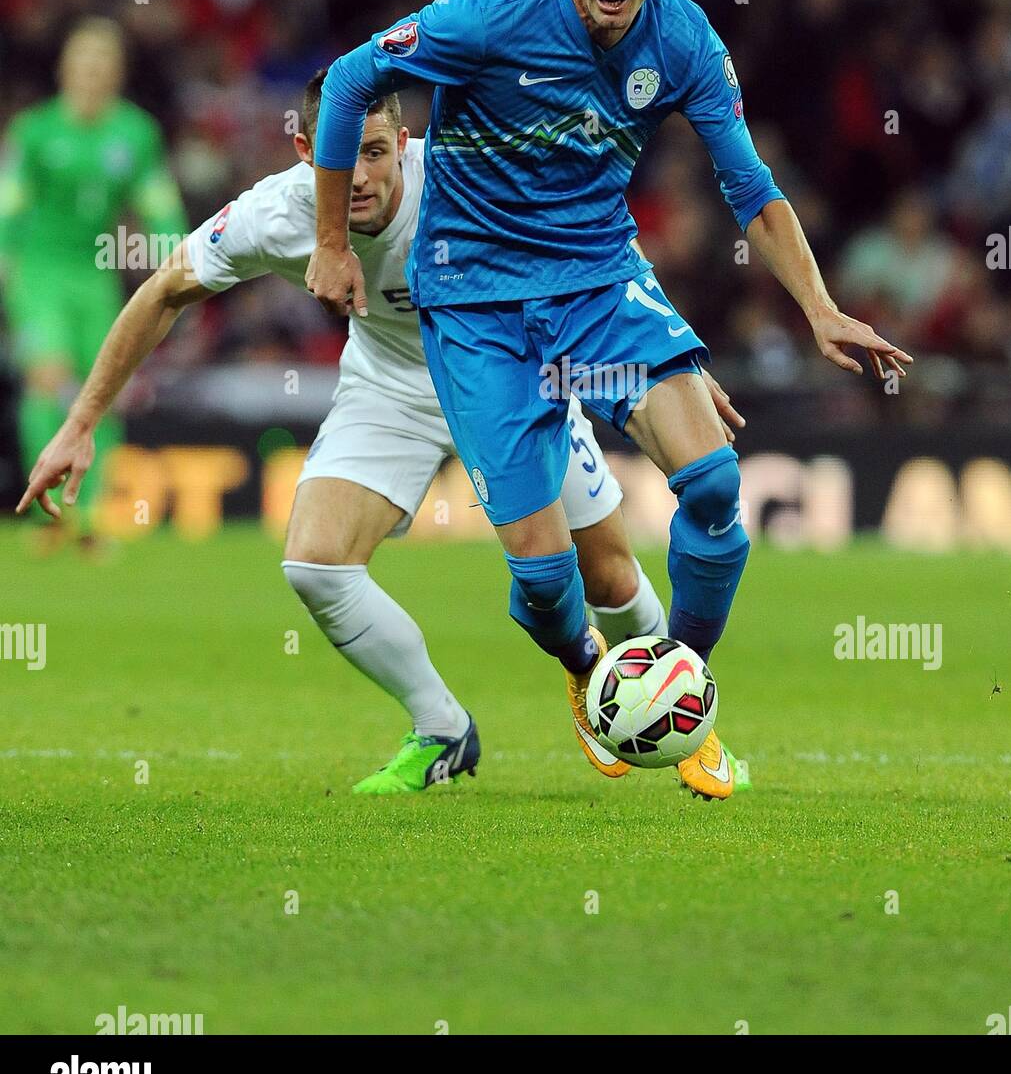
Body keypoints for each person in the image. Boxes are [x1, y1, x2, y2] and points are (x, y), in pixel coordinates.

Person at [307, 0, 911, 800]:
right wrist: (332, 243)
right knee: (547, 582)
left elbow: (748, 184)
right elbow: (348, 80)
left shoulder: (684, 39)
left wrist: (819, 307)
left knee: (712, 486)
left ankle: (682, 686)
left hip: (597, 282)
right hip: (473, 305)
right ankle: (588, 670)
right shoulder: (489, 17)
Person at [17, 70, 743, 794]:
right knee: (314, 564)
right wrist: (80, 423)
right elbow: (165, 288)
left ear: (403, 143)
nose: (359, 176)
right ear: (303, 150)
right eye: (339, 156)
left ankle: (689, 734)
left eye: (374, 153)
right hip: (390, 390)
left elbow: (593, 244)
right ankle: (443, 730)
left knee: (609, 576)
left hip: (517, 381)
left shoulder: (470, 177)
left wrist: (657, 357)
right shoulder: (278, 213)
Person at [0, 18, 186, 545]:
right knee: (47, 379)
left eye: (102, 65)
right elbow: (8, 206)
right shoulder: (33, 132)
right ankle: (48, 520)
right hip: (39, 273)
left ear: (117, 74)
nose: (91, 74)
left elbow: (159, 207)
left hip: (96, 275)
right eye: (82, 63)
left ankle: (89, 517)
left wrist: (176, 259)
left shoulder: (135, 133)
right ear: (64, 70)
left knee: (100, 391)